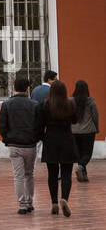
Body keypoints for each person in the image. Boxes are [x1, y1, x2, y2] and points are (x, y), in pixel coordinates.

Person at [0, 73, 40, 215]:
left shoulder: (7, 104)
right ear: (28, 89)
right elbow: (39, 125)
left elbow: (2, 125)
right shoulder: (35, 105)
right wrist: (36, 138)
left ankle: (22, 204)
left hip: (14, 144)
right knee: (29, 174)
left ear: (14, 88)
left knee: (18, 175)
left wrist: (6, 139)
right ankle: (29, 202)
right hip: (30, 145)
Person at [40, 78, 77, 216]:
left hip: (51, 141)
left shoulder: (45, 105)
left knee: (53, 174)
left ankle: (54, 202)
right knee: (67, 174)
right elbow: (75, 120)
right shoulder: (70, 104)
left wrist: (42, 138)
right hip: (67, 140)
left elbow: (40, 124)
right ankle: (64, 199)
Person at [71, 79, 100, 183]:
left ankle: (84, 175)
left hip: (74, 131)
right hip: (88, 131)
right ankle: (81, 166)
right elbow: (95, 116)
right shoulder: (91, 101)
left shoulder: (71, 100)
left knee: (79, 153)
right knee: (87, 153)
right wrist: (97, 127)